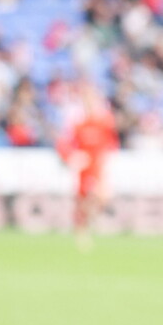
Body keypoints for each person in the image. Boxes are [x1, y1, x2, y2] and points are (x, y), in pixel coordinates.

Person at [56, 91, 118, 251]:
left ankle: (89, 224)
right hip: (85, 169)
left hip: (98, 168)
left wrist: (106, 162)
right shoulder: (79, 125)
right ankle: (82, 232)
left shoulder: (104, 123)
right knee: (83, 201)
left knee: (101, 198)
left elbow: (112, 144)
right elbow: (65, 144)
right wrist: (73, 157)